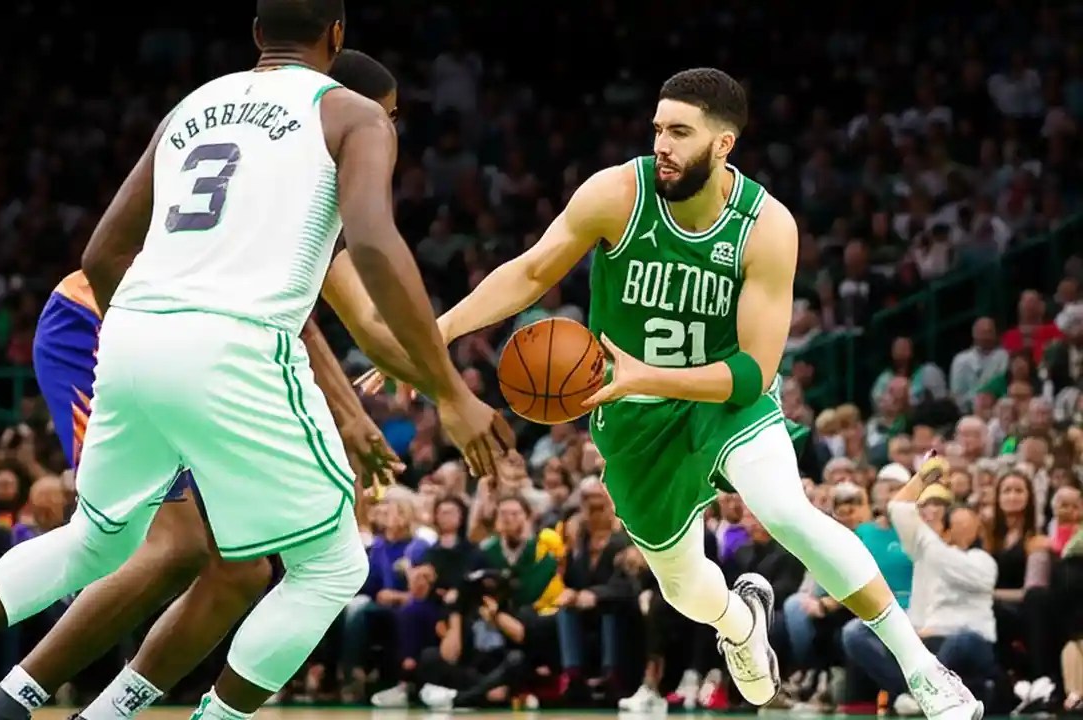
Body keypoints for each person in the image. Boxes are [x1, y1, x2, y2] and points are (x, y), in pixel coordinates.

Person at [0, 1, 512, 718]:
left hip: (129, 331)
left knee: (105, 539)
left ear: (256, 34)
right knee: (329, 566)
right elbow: (374, 250)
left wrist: (163, 328)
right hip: (220, 346)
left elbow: (101, 253)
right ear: (336, 37)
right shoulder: (353, 119)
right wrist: (452, 393)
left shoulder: (196, 105)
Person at [364, 67, 980, 720]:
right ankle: (741, 622)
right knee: (684, 587)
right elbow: (533, 269)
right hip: (630, 419)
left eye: (680, 132)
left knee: (786, 509)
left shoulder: (766, 226)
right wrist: (438, 333)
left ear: (722, 145)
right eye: (658, 128)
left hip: (725, 403)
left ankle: (921, 668)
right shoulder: (615, 194)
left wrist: (641, 376)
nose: (661, 143)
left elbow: (751, 372)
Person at [0, 49, 405, 720]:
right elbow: (308, 328)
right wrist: (396, 400)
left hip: (194, 350)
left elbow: (323, 321)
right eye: (390, 114)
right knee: (171, 544)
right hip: (104, 326)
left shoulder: (282, 163)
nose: (390, 128)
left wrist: (418, 370)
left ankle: (95, 714)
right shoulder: (298, 166)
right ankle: (2, 702)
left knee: (240, 568)